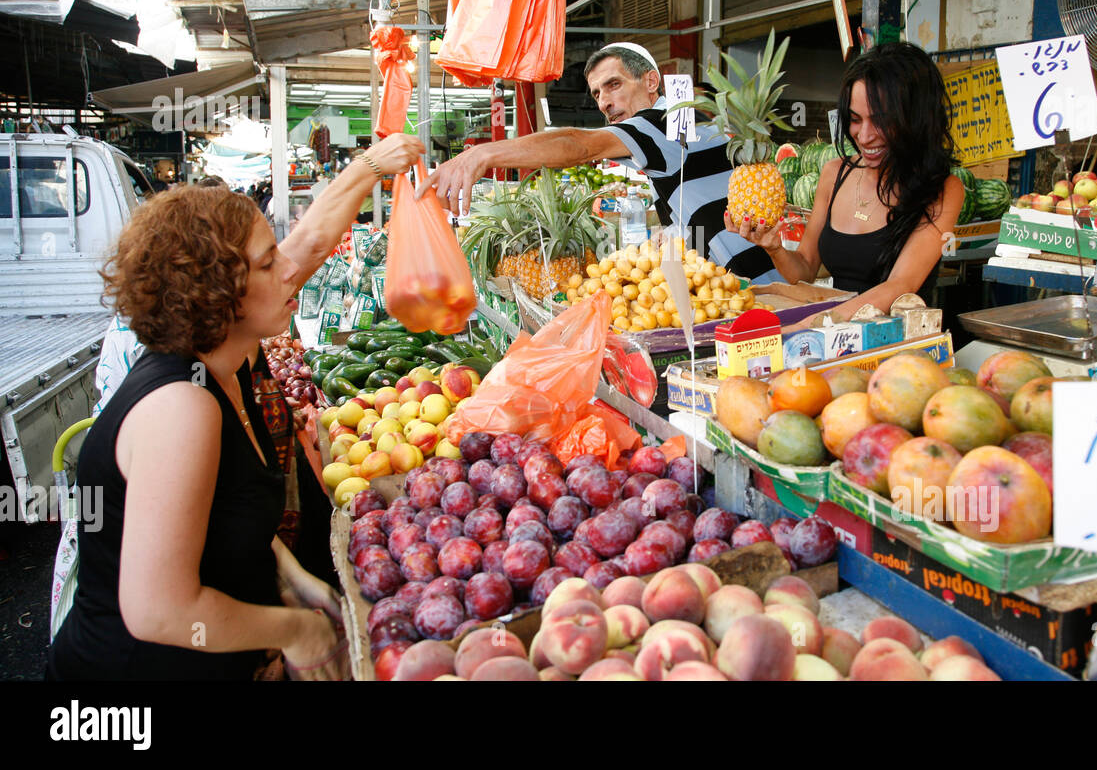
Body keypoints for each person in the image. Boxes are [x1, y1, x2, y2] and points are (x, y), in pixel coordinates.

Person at [48, 134, 424, 681]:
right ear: (219, 293)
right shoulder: (181, 407)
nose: (288, 270)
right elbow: (159, 610)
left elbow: (218, 513)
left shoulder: (237, 365)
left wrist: (289, 573)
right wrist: (293, 631)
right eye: (268, 262)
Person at [420, 42, 778, 282]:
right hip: (762, 283)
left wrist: (484, 153)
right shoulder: (693, 125)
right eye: (596, 93)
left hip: (753, 289)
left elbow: (580, 145)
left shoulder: (658, 125)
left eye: (613, 85)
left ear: (651, 81)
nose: (604, 102)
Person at [730, 42, 963, 326]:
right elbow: (804, 270)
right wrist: (774, 248)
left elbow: (901, 285)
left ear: (914, 118)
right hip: (834, 345)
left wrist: (812, 324)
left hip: (895, 351)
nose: (864, 136)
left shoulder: (942, 189)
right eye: (854, 120)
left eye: (880, 121)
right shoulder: (834, 174)